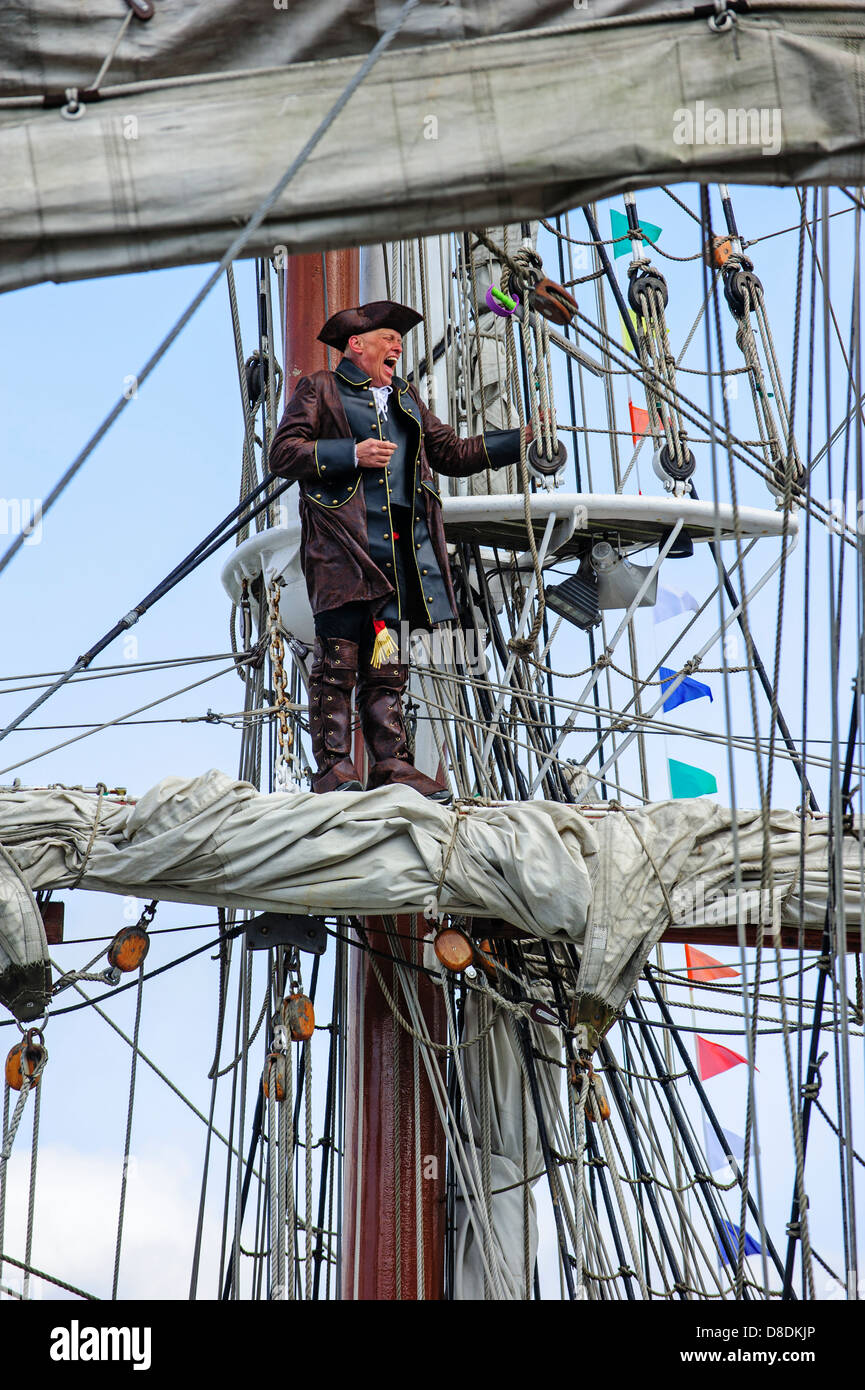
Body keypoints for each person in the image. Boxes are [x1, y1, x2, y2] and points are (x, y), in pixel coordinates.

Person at [269, 299, 533, 798]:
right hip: (344, 551)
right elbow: (283, 453)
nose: (398, 347)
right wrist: (351, 453)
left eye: (399, 341)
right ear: (356, 345)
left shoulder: (405, 398)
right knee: (338, 662)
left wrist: (519, 440)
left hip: (399, 557)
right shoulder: (321, 389)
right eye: (388, 338)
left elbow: (450, 452)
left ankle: (391, 765)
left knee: (387, 669)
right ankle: (333, 769)